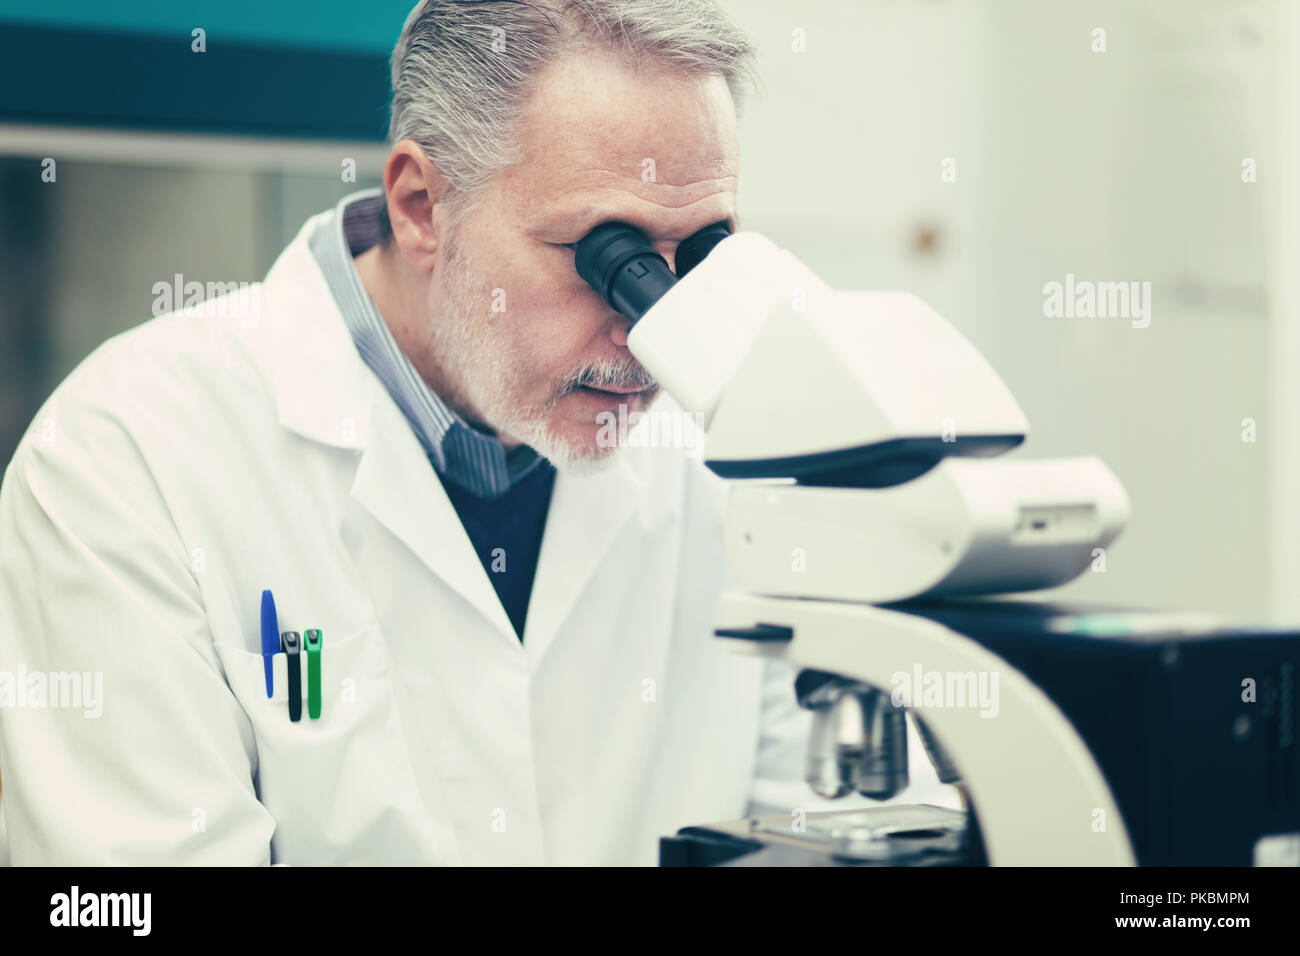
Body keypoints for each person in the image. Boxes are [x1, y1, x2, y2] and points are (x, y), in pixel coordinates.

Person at [0, 0, 948, 865]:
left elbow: (825, 826)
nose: (655, 330)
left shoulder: (733, 447)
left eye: (695, 255)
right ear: (422, 205)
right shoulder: (126, 458)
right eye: (607, 257)